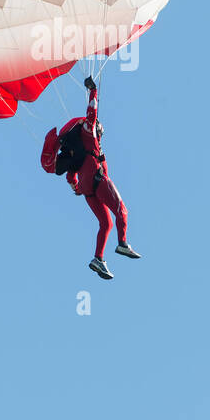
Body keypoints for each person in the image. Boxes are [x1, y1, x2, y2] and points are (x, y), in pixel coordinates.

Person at [54, 76, 138, 280]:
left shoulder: (77, 152)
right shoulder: (90, 134)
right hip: (99, 181)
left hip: (89, 192)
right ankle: (123, 243)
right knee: (122, 211)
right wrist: (93, 91)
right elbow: (92, 111)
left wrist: (76, 187)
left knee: (106, 224)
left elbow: (71, 177)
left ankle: (98, 259)